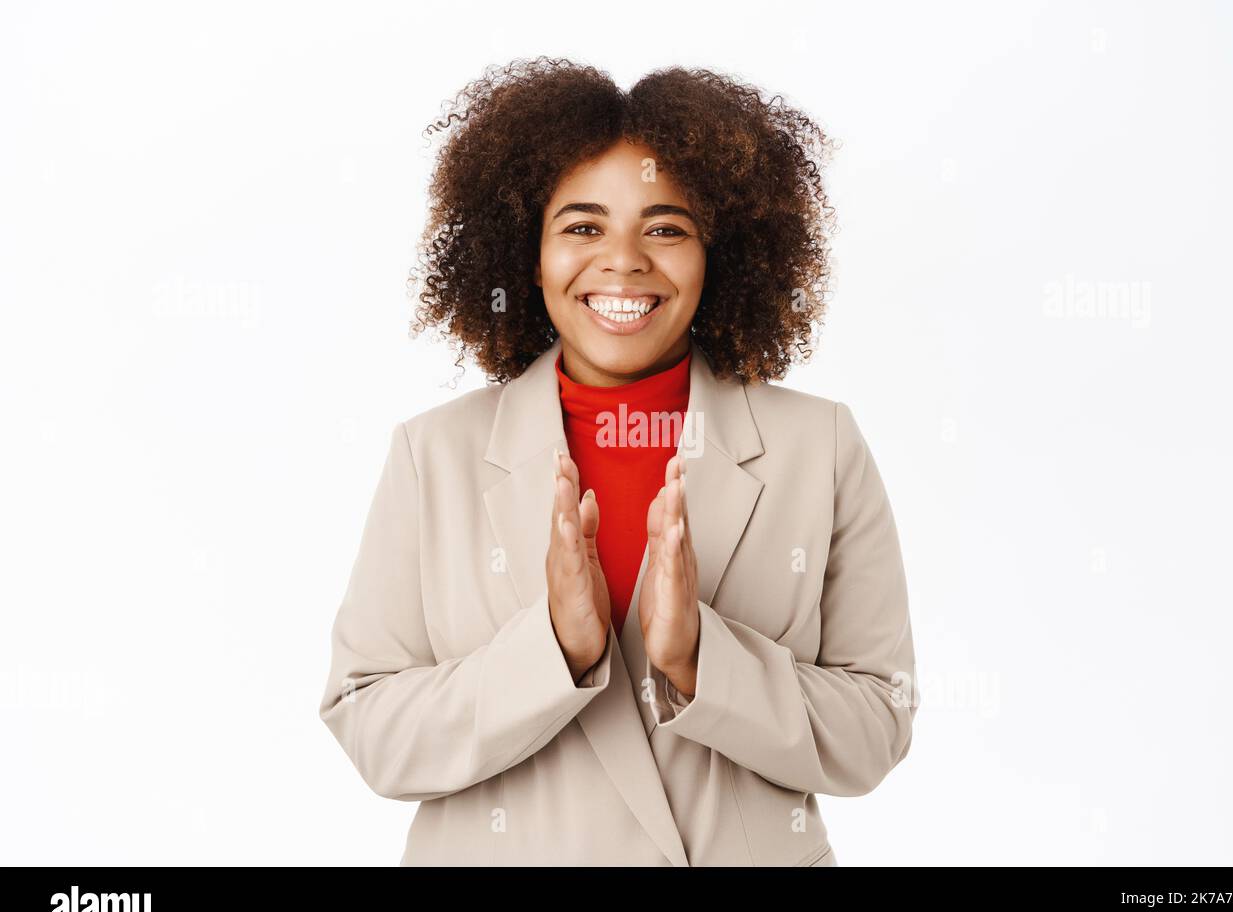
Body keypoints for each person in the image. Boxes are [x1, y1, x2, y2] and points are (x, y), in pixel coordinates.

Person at [318, 57, 918, 866]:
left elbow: (878, 725)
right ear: (528, 254)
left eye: (666, 227)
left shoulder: (822, 447)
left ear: (721, 253)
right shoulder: (434, 456)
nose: (625, 261)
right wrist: (554, 652)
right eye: (582, 226)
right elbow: (370, 725)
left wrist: (702, 659)